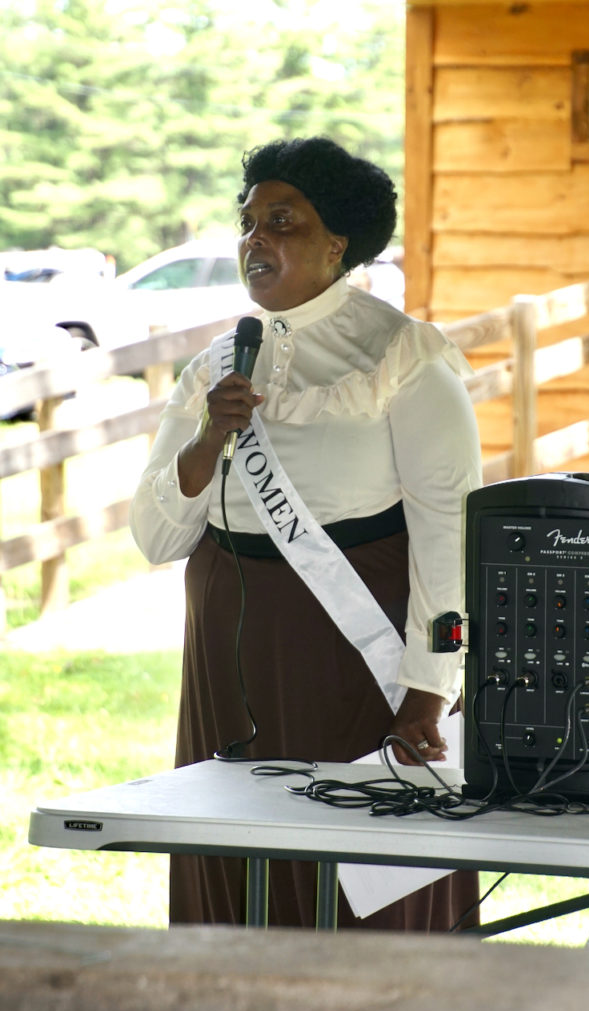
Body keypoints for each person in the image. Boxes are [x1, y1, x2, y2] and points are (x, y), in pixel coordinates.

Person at [130, 136, 482, 930]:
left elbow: (447, 528)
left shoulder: (403, 357)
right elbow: (153, 537)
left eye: (281, 222)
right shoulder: (216, 364)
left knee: (361, 854)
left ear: (338, 244)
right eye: (249, 222)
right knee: (233, 847)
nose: (256, 240)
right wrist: (206, 441)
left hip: (356, 640)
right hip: (229, 638)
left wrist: (432, 683)